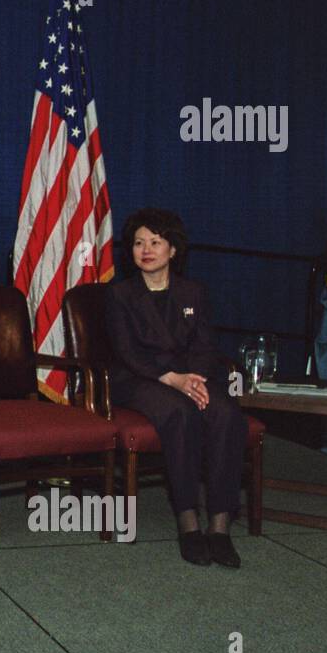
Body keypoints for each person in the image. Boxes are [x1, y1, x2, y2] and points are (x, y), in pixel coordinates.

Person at [104, 208, 247, 568]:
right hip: (138, 380)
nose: (146, 249)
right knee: (180, 414)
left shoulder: (193, 292)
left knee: (227, 413)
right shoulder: (120, 294)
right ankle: (188, 521)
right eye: (138, 243)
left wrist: (195, 378)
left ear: (173, 249)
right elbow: (128, 353)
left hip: (189, 377)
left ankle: (220, 524)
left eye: (155, 242)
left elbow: (204, 345)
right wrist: (175, 380)